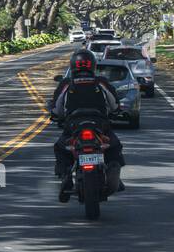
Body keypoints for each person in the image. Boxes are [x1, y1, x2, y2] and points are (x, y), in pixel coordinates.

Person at [47, 48, 126, 195]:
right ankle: (113, 170)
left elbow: (57, 109)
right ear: (93, 65)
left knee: (60, 147)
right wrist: (115, 112)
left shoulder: (66, 84)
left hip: (73, 125)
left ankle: (65, 175)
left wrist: (56, 115)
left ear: (72, 66)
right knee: (114, 145)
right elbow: (114, 105)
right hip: (99, 124)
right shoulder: (101, 82)